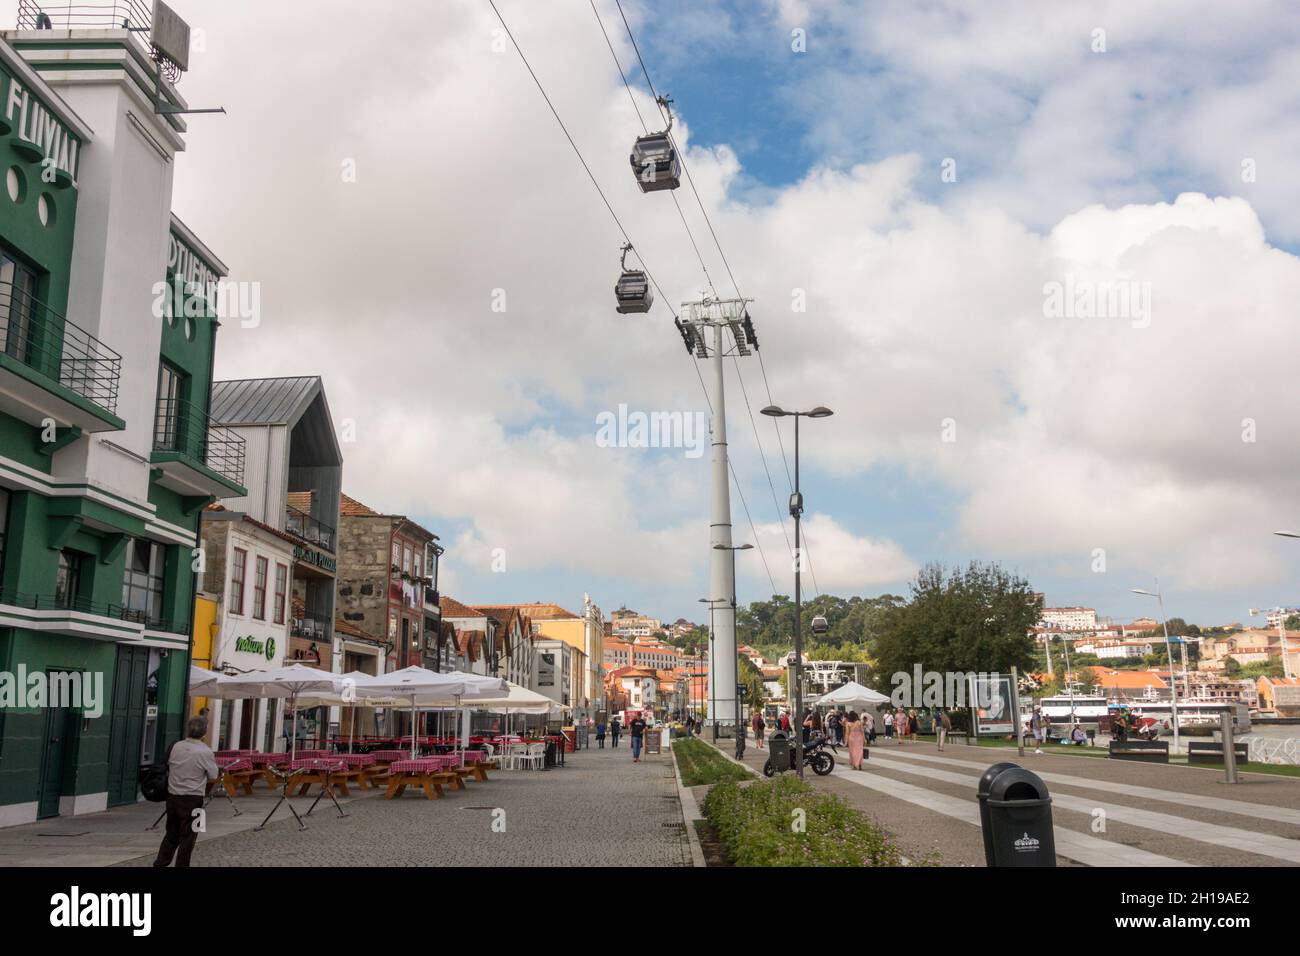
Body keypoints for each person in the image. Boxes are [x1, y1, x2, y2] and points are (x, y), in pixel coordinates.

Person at [154, 717, 219, 869]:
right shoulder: (206, 751)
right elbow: (213, 776)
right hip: (194, 798)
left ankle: (160, 863)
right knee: (190, 837)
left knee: (171, 833)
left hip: (173, 796)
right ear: (205, 732)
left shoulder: (175, 746)